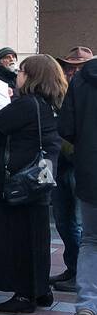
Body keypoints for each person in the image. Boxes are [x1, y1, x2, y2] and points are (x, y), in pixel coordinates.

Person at [0, 55, 66, 313]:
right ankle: (39, 289)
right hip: (39, 180)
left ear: (32, 76)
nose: (17, 75)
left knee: (17, 238)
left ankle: (24, 294)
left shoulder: (26, 105)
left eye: (21, 71)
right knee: (36, 237)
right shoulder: (50, 103)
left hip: (18, 182)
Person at [59, 45, 97, 315]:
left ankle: (86, 306)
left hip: (90, 174)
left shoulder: (82, 80)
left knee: (91, 241)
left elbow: (67, 130)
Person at [50, 46, 93, 292]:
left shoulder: (86, 91)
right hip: (63, 164)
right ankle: (73, 268)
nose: (73, 72)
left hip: (80, 165)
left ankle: (81, 275)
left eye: (78, 67)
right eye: (69, 67)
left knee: (79, 225)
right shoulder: (62, 90)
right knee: (64, 222)